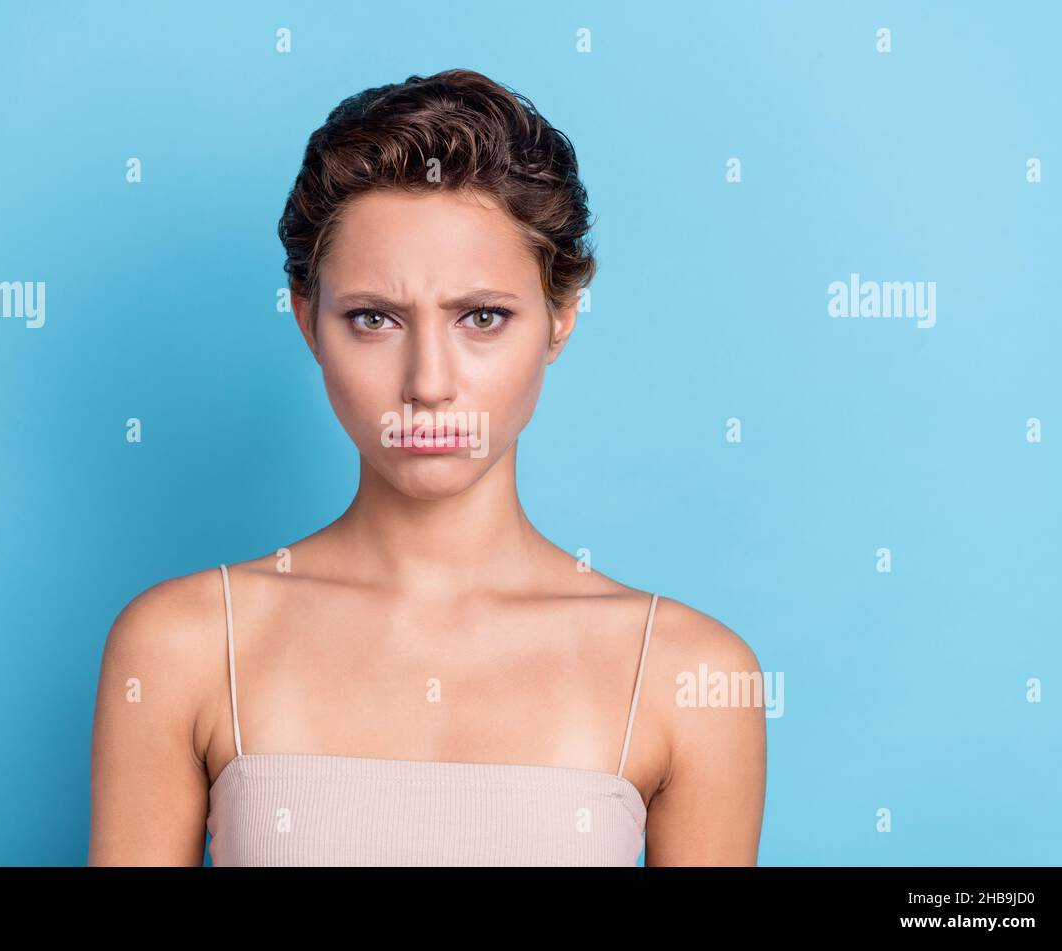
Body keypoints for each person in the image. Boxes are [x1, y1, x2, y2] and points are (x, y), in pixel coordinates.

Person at [88, 68, 766, 866]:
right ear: (308, 321)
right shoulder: (183, 645)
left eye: (483, 317)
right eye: (373, 318)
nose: (429, 383)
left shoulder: (690, 674)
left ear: (560, 319)